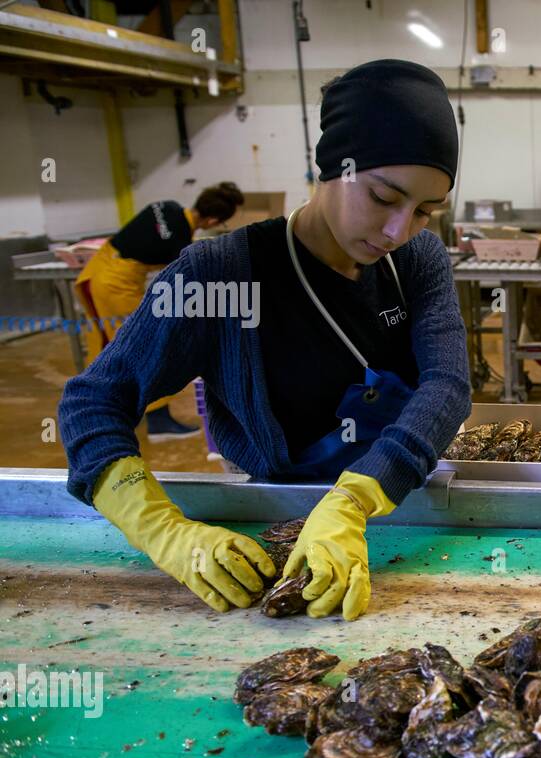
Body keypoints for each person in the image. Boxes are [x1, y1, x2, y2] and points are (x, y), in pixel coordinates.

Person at [58, 60, 472, 621]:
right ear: (331, 167)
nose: (399, 231)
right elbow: (92, 403)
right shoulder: (221, 275)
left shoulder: (416, 261)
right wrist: (165, 532)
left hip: (399, 503)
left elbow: (447, 385)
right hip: (272, 526)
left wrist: (353, 500)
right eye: (382, 197)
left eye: (425, 211)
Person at [74, 182, 245, 440]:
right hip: (115, 285)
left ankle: (99, 411)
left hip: (96, 271)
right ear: (212, 220)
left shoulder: (168, 207)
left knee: (105, 345)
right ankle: (158, 420)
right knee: (147, 348)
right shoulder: (179, 242)